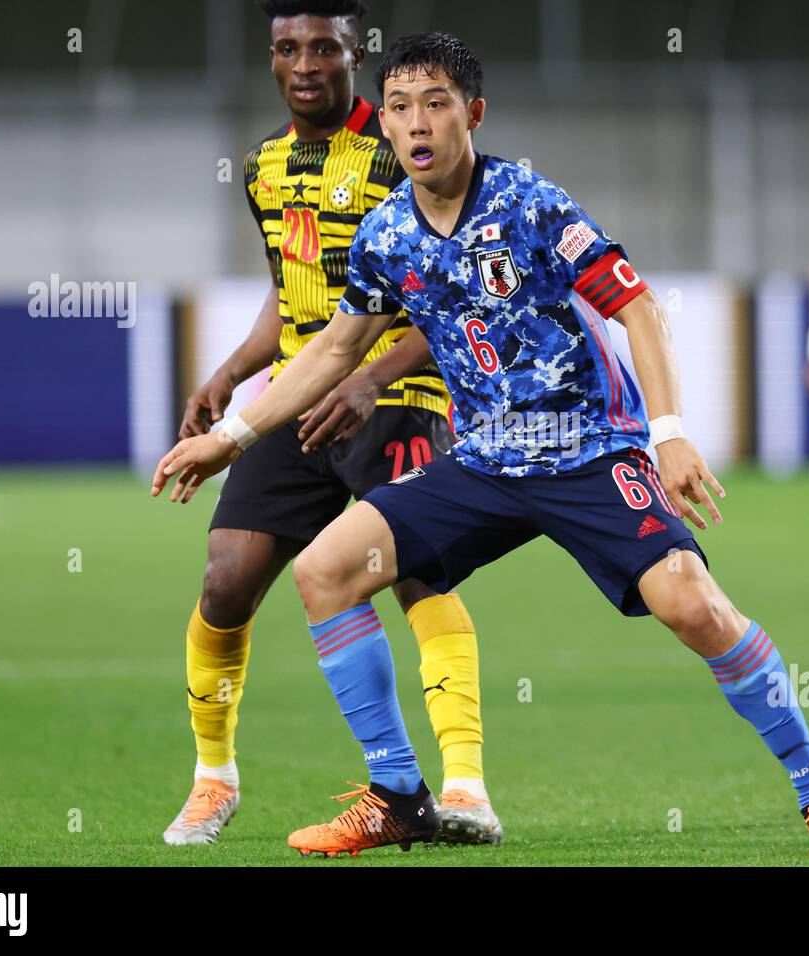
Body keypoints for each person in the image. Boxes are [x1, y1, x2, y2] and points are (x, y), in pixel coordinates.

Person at [154, 31, 809, 860]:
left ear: (473, 114)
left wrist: (669, 436)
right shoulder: (386, 235)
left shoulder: (528, 202)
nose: (417, 124)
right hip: (485, 460)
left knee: (692, 603)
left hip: (584, 448)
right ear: (383, 126)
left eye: (436, 104)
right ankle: (398, 796)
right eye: (400, 108)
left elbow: (637, 308)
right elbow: (334, 349)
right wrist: (235, 436)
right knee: (324, 570)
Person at [162, 1, 500, 848]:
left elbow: (453, 294)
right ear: (271, 59)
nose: (304, 63)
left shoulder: (400, 149)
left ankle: (464, 786)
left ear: (357, 56)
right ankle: (213, 780)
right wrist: (231, 373)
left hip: (397, 393)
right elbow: (293, 289)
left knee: (416, 572)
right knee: (225, 581)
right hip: (296, 396)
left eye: (324, 47)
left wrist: (372, 376)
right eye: (287, 48)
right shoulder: (262, 165)